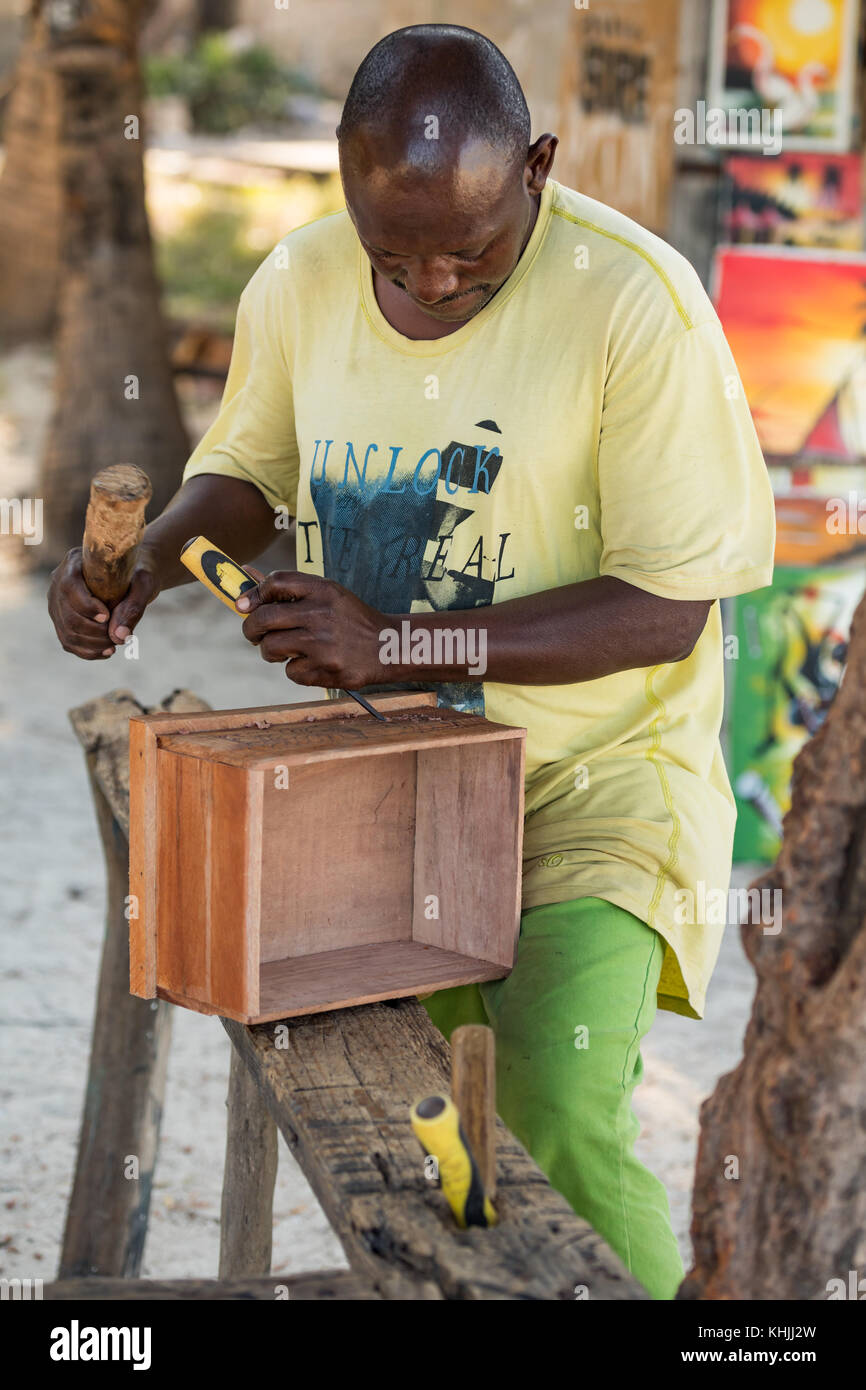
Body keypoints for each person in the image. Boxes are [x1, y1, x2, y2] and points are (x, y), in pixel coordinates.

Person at [48, 24, 775, 1299]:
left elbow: (667, 607)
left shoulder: (635, 306)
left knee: (549, 1100)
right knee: (436, 1126)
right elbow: (244, 481)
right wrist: (142, 565)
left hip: (596, 786)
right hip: (396, 785)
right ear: (341, 181)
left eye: (472, 253)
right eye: (396, 253)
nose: (431, 284)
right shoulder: (298, 282)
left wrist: (395, 644)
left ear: (538, 167)